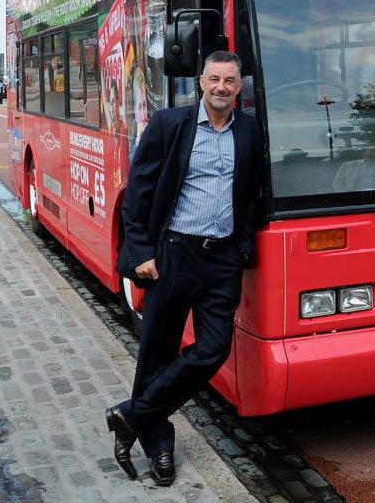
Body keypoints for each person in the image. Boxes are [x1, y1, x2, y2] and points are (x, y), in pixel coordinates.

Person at [106, 50, 264, 486]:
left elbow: (251, 192)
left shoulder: (248, 131)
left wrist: (243, 243)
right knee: (157, 354)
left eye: (229, 81)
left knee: (213, 349)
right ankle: (159, 447)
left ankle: (131, 416)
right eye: (214, 78)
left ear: (238, 87)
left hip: (223, 258)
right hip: (173, 254)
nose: (221, 87)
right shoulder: (168, 125)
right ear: (201, 81)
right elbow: (138, 193)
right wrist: (141, 252)